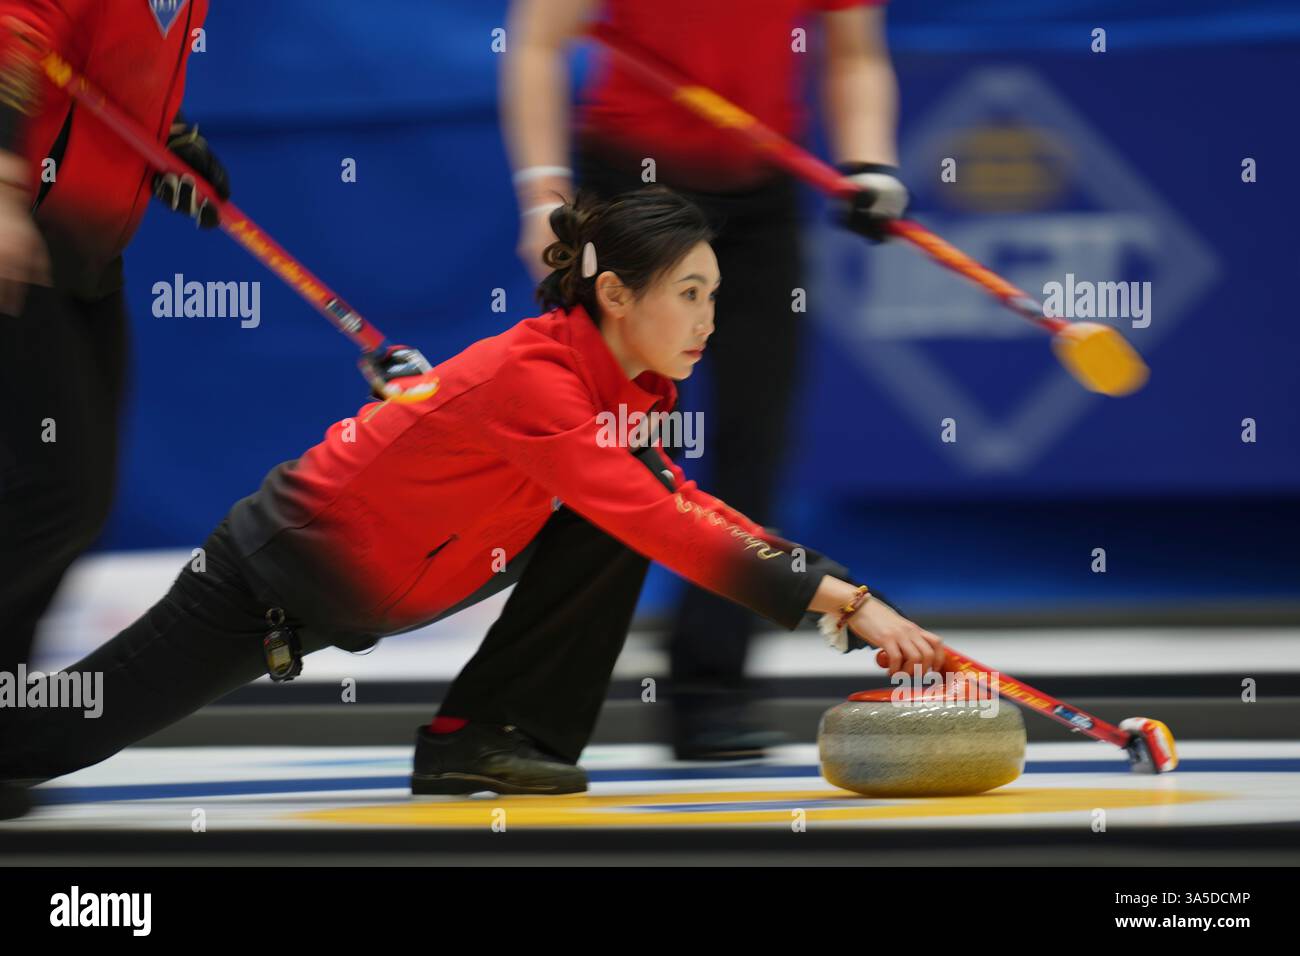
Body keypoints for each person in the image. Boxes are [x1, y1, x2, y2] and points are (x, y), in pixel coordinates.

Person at [0, 187, 944, 804]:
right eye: (691, 293)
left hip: (387, 583)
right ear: (615, 294)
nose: (709, 317)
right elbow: (666, 521)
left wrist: (838, 586)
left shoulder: (626, 389)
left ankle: (484, 736)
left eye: (716, 294)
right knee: (48, 741)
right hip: (271, 579)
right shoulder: (536, 383)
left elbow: (677, 506)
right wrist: (846, 604)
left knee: (626, 517)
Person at [502, 0, 908, 758]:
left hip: (761, 196)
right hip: (632, 194)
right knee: (599, 457)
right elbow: (537, 41)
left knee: (755, 446)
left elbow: (855, 54)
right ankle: (523, 711)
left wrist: (869, 161)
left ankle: (708, 696)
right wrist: (543, 196)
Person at [0, 1, 229, 818]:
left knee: (73, 501)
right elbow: (12, 36)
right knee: (52, 495)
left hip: (89, 254)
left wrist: (163, 149)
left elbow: (105, 81)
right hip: (22, 243)